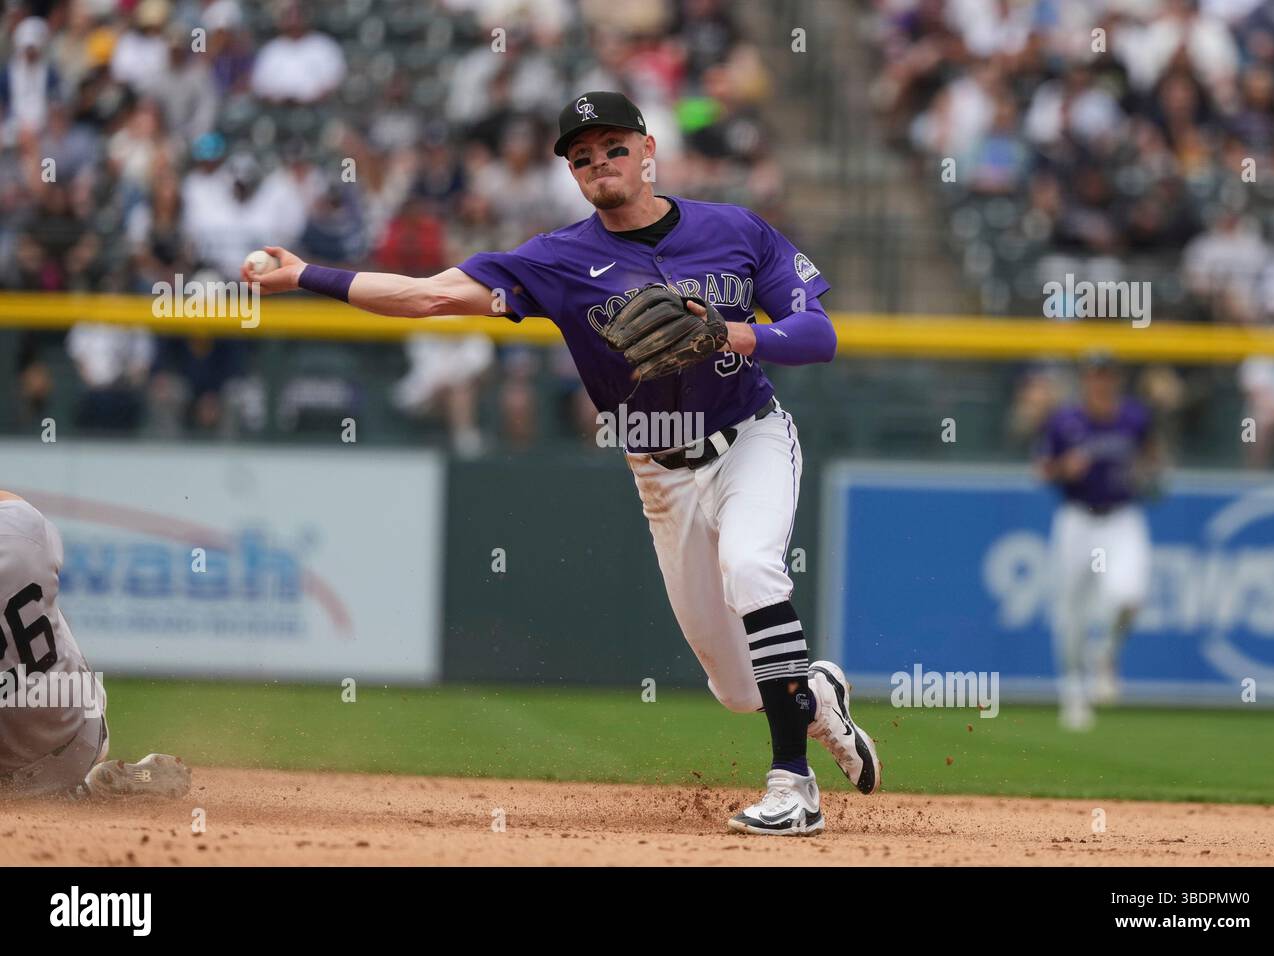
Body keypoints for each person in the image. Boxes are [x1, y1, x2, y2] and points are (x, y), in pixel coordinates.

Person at [246, 90, 881, 836]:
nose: (599, 163)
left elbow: (818, 335)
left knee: (752, 568)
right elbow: (424, 298)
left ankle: (792, 788)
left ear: (649, 153)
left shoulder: (735, 230)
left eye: (614, 147)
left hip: (751, 440)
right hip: (660, 473)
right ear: (574, 176)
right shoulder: (557, 259)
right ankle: (814, 691)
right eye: (582, 156)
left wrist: (734, 336)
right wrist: (305, 275)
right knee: (738, 688)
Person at [0, 491, 191, 799]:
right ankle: (77, 791)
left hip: (6, 764)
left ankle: (64, 793)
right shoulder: (23, 522)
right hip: (77, 736)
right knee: (42, 606)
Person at [1037, 353, 1162, 730]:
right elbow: (1041, 470)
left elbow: (1153, 458)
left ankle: (1105, 654)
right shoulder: (1065, 421)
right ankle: (1072, 694)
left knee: (1129, 597)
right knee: (1071, 614)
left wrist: (1149, 472)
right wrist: (1063, 468)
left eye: (1107, 375)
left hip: (1121, 518)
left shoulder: (1134, 418)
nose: (1101, 383)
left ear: (1116, 380)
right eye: (1095, 376)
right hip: (1077, 520)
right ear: (1085, 380)